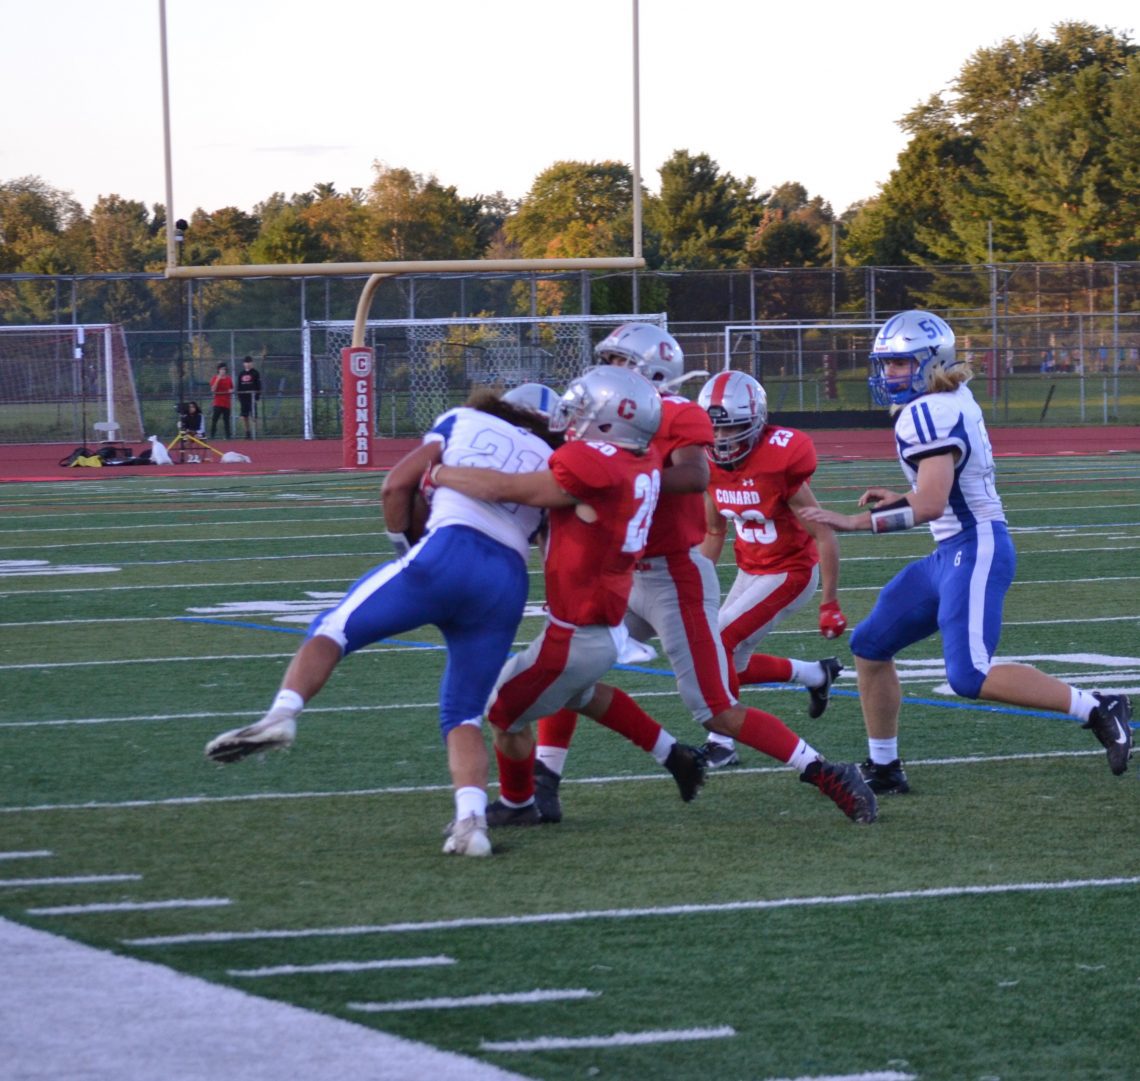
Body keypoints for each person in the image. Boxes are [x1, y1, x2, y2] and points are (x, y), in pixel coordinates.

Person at [531, 324, 876, 826]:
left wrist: (620, 481)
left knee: (716, 709)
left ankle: (826, 771)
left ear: (650, 372)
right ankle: (543, 785)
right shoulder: (592, 412)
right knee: (567, 669)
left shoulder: (682, 415)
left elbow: (693, 475)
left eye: (620, 362)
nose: (607, 372)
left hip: (672, 576)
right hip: (618, 572)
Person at [204, 389, 561, 859]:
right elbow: (553, 542)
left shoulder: (464, 420)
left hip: (448, 551)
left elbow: (395, 485)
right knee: (464, 713)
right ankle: (471, 823)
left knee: (333, 629)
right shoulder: (558, 457)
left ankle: (282, 716)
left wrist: (407, 552)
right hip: (507, 582)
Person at [798, 309, 1133, 793]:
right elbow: (945, 489)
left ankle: (1099, 707)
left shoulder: (926, 411)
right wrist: (901, 496)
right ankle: (885, 767)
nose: (889, 374)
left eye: (900, 364)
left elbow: (933, 502)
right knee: (869, 646)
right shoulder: (950, 396)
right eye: (886, 364)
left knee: (970, 673)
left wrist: (855, 522)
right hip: (951, 551)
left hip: (974, 548)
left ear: (930, 362)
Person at [430, 365, 709, 830]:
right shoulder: (632, 461)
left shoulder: (594, 465)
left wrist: (438, 471)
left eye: (581, 412)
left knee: (501, 711)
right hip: (596, 623)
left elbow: (502, 488)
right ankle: (676, 756)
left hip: (578, 632)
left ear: (608, 422)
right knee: (582, 695)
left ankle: (519, 803)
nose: (570, 421)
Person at [696, 369, 847, 761]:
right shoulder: (708, 464)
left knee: (716, 642)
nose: (723, 440)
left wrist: (829, 602)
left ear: (756, 422)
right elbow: (714, 532)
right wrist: (694, 581)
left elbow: (824, 533)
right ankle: (817, 674)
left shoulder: (778, 459)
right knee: (733, 664)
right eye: (717, 431)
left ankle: (721, 743)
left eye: (733, 430)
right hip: (752, 568)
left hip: (790, 572)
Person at [236, 355, 262, 439]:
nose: (247, 364)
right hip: (244, 398)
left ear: (252, 363)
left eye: (249, 362)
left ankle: (256, 433)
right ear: (244, 364)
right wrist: (239, 396)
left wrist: (257, 397)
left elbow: (258, 386)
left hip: (252, 398)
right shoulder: (241, 374)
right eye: (246, 362)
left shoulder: (255, 373)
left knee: (254, 416)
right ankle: (248, 433)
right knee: (245, 416)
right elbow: (239, 386)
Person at [209, 363, 234, 439]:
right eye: (221, 369)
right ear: (218, 370)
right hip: (218, 403)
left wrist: (231, 390)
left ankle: (228, 436)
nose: (223, 371)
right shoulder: (214, 378)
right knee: (214, 419)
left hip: (226, 403)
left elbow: (232, 388)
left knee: (226, 420)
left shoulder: (229, 379)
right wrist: (218, 379)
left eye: (224, 369)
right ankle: (212, 435)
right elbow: (213, 389)